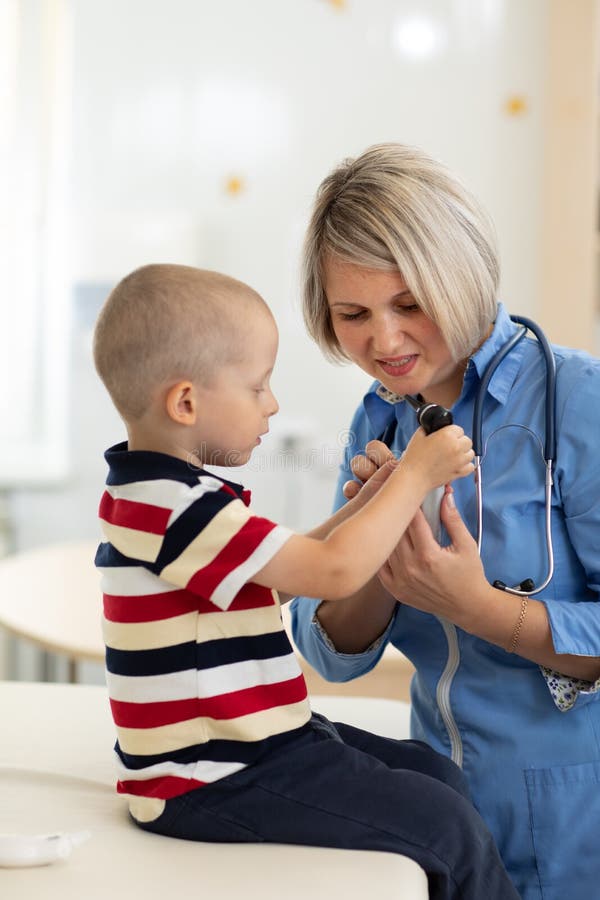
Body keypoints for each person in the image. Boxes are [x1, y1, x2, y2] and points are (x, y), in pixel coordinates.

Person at [92, 263, 518, 900]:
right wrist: (414, 479)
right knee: (451, 828)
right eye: (258, 386)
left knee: (436, 776)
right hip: (212, 777)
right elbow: (335, 573)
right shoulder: (176, 508)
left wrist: (374, 499)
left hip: (256, 744)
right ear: (186, 402)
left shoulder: (167, 496)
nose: (273, 404)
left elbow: (283, 572)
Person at [291, 142, 600, 900]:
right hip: (437, 814)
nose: (384, 343)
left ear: (458, 280)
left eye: (410, 305)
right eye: (353, 315)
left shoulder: (580, 403)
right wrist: (382, 542)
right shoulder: (379, 419)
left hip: (575, 821)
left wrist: (474, 607)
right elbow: (330, 651)